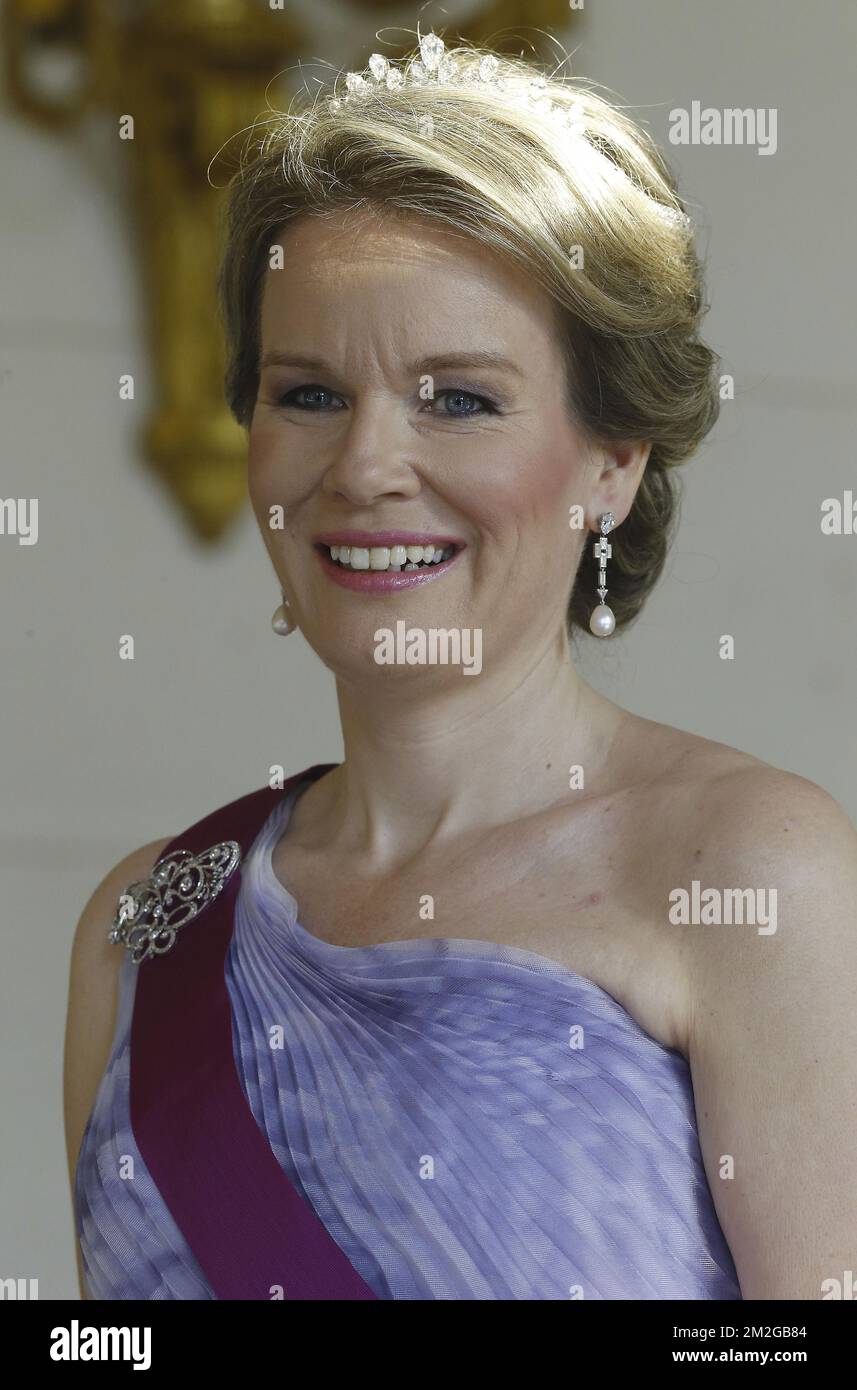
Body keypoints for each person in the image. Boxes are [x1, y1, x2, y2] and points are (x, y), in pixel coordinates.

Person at [64, 30, 857, 1300]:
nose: (364, 465)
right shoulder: (144, 921)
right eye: (308, 393)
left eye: (459, 398)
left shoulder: (743, 868)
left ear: (613, 460)